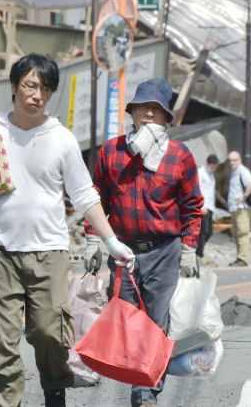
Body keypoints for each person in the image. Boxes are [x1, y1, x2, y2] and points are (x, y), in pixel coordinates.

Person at [0, 54, 135, 407]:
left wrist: (111, 240)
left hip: (51, 252)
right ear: (14, 87)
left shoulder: (62, 139)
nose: (36, 94)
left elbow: (85, 196)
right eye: (29, 85)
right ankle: (7, 401)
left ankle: (55, 386)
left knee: (49, 332)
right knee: (0, 338)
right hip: (0, 252)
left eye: (44, 88)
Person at [85, 77, 203, 407]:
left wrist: (190, 248)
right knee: (125, 319)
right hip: (122, 251)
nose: (148, 116)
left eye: (156, 110)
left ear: (167, 118)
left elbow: (193, 205)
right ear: (132, 114)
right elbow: (98, 198)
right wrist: (93, 239)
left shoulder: (179, 156)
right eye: (143, 109)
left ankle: (146, 392)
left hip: (164, 252)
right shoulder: (112, 152)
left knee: (156, 324)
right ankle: (133, 377)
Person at [225, 150, 251, 267]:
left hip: (242, 207)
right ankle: (239, 257)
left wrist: (244, 197)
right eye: (230, 160)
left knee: (242, 232)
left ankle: (243, 259)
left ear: (240, 160)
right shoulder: (234, 172)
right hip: (234, 207)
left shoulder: (243, 171)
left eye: (234, 160)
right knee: (236, 233)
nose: (232, 163)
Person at [195, 154, 220, 259]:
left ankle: (198, 251)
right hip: (203, 207)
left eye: (215, 166)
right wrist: (200, 206)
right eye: (212, 166)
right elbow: (197, 190)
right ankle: (198, 254)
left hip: (210, 207)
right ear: (208, 164)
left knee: (209, 232)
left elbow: (210, 192)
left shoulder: (212, 175)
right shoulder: (200, 173)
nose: (214, 168)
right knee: (203, 232)